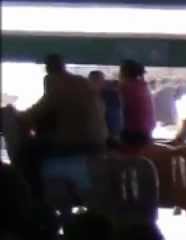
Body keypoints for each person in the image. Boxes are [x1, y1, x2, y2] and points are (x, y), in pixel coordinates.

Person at [14, 54, 108, 198]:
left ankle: (34, 198)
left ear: (48, 68)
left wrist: (15, 115)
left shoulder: (57, 83)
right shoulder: (81, 81)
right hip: (100, 142)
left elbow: (36, 112)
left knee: (26, 152)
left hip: (78, 144)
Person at [118, 60, 156, 152]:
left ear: (124, 72)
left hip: (133, 133)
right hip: (146, 132)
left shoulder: (125, 87)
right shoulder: (143, 86)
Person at [88, 70, 123, 146]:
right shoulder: (109, 93)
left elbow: (114, 119)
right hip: (105, 134)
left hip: (108, 135)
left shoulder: (110, 95)